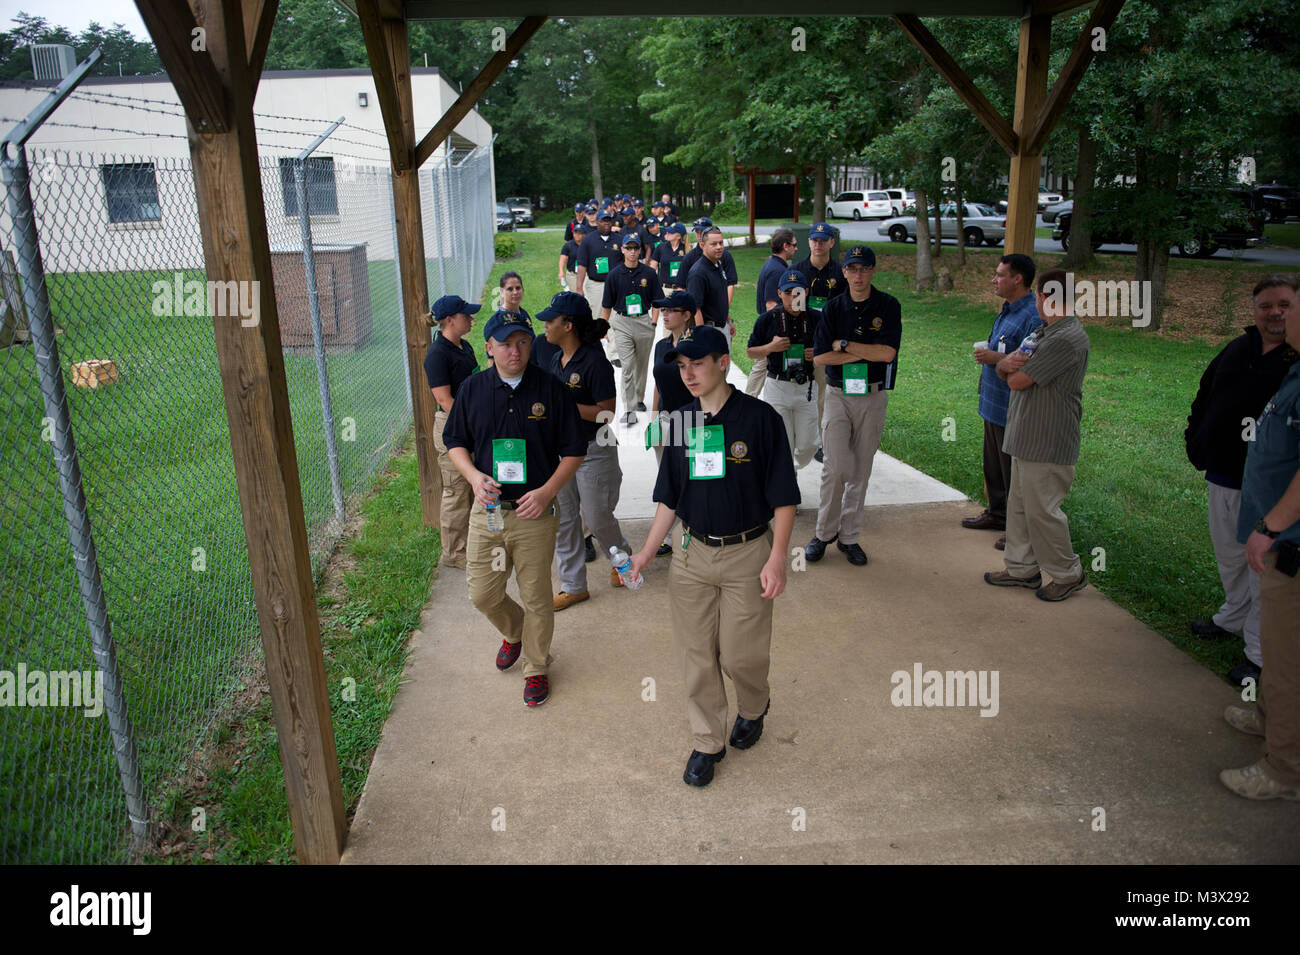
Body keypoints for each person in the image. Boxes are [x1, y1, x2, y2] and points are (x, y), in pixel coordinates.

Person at [628, 324, 798, 787]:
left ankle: (754, 704)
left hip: (747, 553)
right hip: (691, 554)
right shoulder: (680, 421)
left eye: (697, 363)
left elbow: (784, 496)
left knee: (742, 655)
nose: (688, 374)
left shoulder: (761, 420)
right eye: (682, 367)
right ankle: (707, 740)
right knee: (696, 654)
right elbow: (670, 497)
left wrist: (777, 557)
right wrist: (645, 553)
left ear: (723, 362)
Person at [443, 311, 586, 707]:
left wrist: (546, 492)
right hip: (488, 511)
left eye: (523, 341)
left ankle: (537, 667)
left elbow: (574, 450)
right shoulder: (472, 390)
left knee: (537, 595)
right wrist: (473, 477)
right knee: (482, 593)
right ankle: (515, 633)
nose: (515, 351)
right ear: (489, 348)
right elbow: (454, 440)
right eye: (505, 343)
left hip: (533, 514)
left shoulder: (552, 389)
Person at [1185, 276, 1298, 689]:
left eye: (1284, 305)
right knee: (1230, 555)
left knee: (1260, 567)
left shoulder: (1295, 362)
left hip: (1269, 487)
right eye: (1266, 305)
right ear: (1254, 310)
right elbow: (1205, 393)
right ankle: (1232, 617)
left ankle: (1258, 654)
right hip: (1223, 473)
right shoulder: (1238, 348)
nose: (1275, 313)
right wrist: (1196, 441)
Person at [1221, 274, 1300, 801]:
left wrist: (1271, 526)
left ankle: (1285, 769)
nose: (1282, 317)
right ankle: (1271, 721)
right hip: (1279, 536)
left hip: (1289, 543)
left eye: (1291, 309)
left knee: (1289, 655)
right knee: (1277, 645)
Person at [983, 267, 1090, 602]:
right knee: (1020, 507)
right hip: (1027, 437)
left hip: (1048, 442)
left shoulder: (1065, 339)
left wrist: (1004, 365)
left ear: (1048, 297)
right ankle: (1021, 568)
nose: (1038, 302)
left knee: (1043, 511)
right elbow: (1010, 366)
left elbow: (1017, 379)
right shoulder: (1046, 332)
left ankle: (1067, 573)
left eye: (1040, 296)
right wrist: (1006, 364)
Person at [538, 292, 635, 612]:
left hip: (595, 449)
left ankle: (622, 559)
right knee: (565, 520)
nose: (546, 327)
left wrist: (564, 405)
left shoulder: (595, 362)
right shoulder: (555, 359)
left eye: (550, 321)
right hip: (562, 452)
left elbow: (606, 414)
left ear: (568, 326)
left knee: (596, 517)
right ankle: (573, 586)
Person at [806, 245, 901, 567]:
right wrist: (867, 350)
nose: (858, 275)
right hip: (838, 395)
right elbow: (820, 357)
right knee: (835, 468)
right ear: (843, 272)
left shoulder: (888, 306)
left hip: (872, 396)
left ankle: (849, 537)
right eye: (852, 269)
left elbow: (888, 354)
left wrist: (845, 345)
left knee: (861, 469)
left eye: (864, 268)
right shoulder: (833, 309)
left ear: (873, 270)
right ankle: (822, 534)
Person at [965, 254, 1042, 550]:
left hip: (1013, 407)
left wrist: (993, 358)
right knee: (994, 467)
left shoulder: (1032, 316)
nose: (994, 280)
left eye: (999, 275)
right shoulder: (1008, 310)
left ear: (1017, 279)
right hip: (993, 403)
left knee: (1013, 472)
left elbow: (1029, 362)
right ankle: (997, 513)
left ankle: (1018, 527)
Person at [423, 294, 481, 569]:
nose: (471, 319)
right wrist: (469, 424)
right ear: (449, 320)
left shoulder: (463, 346)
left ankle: (471, 542)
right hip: (452, 425)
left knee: (471, 486)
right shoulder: (437, 355)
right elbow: (445, 400)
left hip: (469, 421)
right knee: (456, 489)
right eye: (465, 315)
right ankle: (454, 553)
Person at [748, 269, 821, 469]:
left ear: (806, 291)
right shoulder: (767, 319)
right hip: (777, 386)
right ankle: (787, 480)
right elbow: (751, 352)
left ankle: (791, 468)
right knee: (782, 442)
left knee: (809, 444)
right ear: (779, 293)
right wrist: (771, 347)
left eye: (798, 292)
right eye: (788, 293)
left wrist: (816, 354)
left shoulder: (816, 319)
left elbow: (828, 350)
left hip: (806, 386)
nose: (793, 297)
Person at [648, 290, 698, 557]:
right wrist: (654, 417)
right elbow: (658, 383)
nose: (664, 314)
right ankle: (668, 534)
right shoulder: (661, 346)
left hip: (694, 422)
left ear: (687, 315)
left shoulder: (700, 346)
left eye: (671, 310)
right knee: (668, 479)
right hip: (666, 421)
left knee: (693, 479)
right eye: (663, 310)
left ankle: (691, 531)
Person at [793, 222, 844, 461]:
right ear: (809, 242)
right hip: (802, 345)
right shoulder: (798, 272)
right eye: (815, 239)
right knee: (797, 394)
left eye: (823, 240)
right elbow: (792, 311)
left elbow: (845, 312)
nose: (818, 244)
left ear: (832, 242)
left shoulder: (841, 273)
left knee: (824, 397)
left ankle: (822, 443)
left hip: (826, 346)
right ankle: (797, 441)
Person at [602, 233, 664, 425]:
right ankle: (629, 410)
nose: (632, 252)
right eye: (628, 248)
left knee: (641, 364)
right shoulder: (614, 275)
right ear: (622, 250)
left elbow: (657, 301)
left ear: (640, 250)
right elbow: (606, 305)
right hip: (621, 323)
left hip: (644, 322)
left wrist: (653, 323)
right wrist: (603, 327)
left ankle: (638, 397)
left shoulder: (648, 273)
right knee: (627, 365)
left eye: (635, 248)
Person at [747, 228, 799, 397]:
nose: (796, 248)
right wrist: (779, 334)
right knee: (760, 368)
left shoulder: (774, 264)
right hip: (771, 332)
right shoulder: (777, 270)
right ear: (785, 246)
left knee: (761, 369)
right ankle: (747, 403)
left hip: (771, 331)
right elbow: (771, 305)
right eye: (794, 245)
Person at [574, 207, 623, 366]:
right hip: (596, 284)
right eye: (603, 221)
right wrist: (579, 287)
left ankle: (614, 353)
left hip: (615, 285)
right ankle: (595, 350)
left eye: (609, 221)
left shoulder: (618, 239)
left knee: (615, 318)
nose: (607, 224)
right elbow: (582, 265)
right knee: (597, 318)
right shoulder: (588, 240)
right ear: (597, 223)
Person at [685, 227, 736, 344]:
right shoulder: (698, 272)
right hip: (709, 330)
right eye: (713, 244)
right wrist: (702, 336)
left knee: (723, 363)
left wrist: (728, 320)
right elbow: (695, 308)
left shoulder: (717, 265)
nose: (719, 247)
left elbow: (719, 298)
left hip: (723, 328)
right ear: (702, 245)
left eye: (721, 243)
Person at [652, 222, 688, 292]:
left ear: (678, 236)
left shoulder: (687, 249)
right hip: (664, 289)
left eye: (671, 232)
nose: (667, 233)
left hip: (681, 290)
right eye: (667, 231)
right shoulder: (661, 247)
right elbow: (652, 268)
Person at [558, 220, 587, 293]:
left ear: (584, 234)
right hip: (572, 274)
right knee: (575, 294)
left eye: (579, 233)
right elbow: (563, 259)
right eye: (575, 232)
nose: (577, 235)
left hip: (586, 274)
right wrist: (561, 271)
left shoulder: (588, 245)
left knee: (586, 293)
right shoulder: (568, 245)